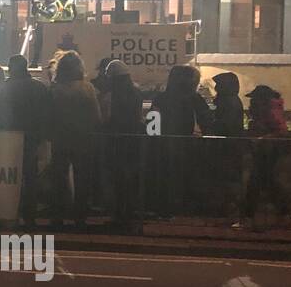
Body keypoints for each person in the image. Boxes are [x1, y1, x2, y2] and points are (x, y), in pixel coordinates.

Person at [0, 55, 51, 225]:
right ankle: (29, 214)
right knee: (30, 176)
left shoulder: (6, 88)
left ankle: (10, 211)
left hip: (10, 138)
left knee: (10, 176)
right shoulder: (38, 87)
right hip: (32, 137)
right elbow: (46, 113)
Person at [46, 50, 100, 227]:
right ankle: (80, 215)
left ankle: (58, 214)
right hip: (83, 138)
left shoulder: (55, 90)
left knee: (59, 177)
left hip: (60, 137)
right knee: (82, 177)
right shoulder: (87, 88)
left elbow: (49, 115)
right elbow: (96, 116)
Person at [151, 64, 212, 214]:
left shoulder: (161, 99)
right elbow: (206, 121)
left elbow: (152, 125)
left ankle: (165, 207)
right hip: (190, 146)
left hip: (164, 147)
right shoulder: (195, 100)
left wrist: (153, 141)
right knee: (188, 179)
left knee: (167, 178)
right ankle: (186, 208)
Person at [242, 85, 291, 230]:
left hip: (267, 151)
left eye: (253, 99)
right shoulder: (271, 109)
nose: (251, 103)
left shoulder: (269, 111)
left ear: (260, 99)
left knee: (256, 183)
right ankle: (285, 216)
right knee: (268, 183)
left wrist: (262, 139)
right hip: (268, 151)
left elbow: (281, 131)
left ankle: (248, 217)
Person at [100, 60, 143, 229]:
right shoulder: (137, 93)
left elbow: (104, 119)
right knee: (130, 178)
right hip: (133, 141)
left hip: (114, 141)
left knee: (115, 178)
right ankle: (130, 213)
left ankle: (117, 214)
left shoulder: (109, 96)